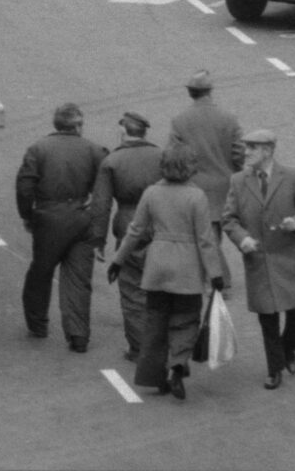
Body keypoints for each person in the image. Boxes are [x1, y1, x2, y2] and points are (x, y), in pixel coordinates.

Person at [113, 146, 225, 401]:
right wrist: (215, 274)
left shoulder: (152, 193)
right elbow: (206, 239)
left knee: (155, 322)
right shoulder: (197, 197)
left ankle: (154, 376)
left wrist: (118, 261)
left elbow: (136, 230)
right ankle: (177, 364)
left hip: (157, 267)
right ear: (189, 167)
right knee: (185, 319)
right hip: (186, 269)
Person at [221, 130, 295, 391]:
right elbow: (228, 219)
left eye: (252, 148)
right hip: (260, 259)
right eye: (246, 147)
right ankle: (274, 368)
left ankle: (289, 348)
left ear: (267, 151)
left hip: (290, 257)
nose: (247, 152)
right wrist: (242, 239)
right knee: (268, 317)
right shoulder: (239, 181)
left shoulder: (293, 177)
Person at [15, 101, 104, 351]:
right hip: (81, 218)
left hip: (48, 218)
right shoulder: (94, 150)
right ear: (78, 126)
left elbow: (24, 186)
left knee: (40, 273)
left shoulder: (38, 149)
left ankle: (38, 324)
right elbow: (104, 186)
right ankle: (78, 335)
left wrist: (27, 215)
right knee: (78, 278)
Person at [90, 110, 165, 363]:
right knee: (161, 289)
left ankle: (138, 347)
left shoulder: (113, 161)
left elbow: (101, 204)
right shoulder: (161, 156)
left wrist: (98, 240)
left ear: (123, 131)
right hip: (161, 227)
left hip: (128, 226)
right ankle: (162, 342)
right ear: (145, 132)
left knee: (133, 292)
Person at [166, 70, 244, 227]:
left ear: (190, 93)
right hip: (225, 187)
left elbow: (174, 158)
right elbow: (240, 154)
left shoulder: (179, 121)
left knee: (202, 237)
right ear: (210, 91)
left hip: (192, 188)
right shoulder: (229, 118)